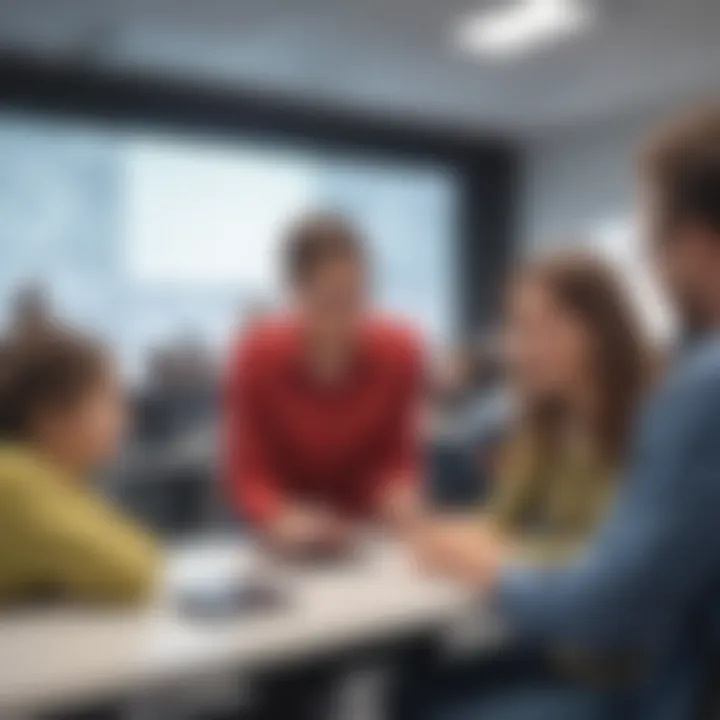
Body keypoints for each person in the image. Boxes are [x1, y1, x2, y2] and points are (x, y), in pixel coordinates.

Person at [413, 106, 720, 720]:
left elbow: (608, 599)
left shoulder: (689, 400)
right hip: (598, 650)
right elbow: (507, 525)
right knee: (417, 682)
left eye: (656, 244)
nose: (520, 346)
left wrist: (490, 564)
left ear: (690, 240)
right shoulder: (545, 422)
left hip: (641, 677)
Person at [421, 252, 648, 571]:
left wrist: (500, 554)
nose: (520, 349)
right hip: (544, 599)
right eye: (517, 327)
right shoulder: (544, 418)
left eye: (541, 327)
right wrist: (438, 537)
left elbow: (616, 557)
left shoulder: (654, 423)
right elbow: (499, 520)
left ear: (597, 331)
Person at [224, 213, 423, 556]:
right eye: (332, 301)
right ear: (297, 294)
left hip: (368, 539)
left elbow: (397, 456)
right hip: (284, 540)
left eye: (358, 297)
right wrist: (278, 515)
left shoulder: (400, 352)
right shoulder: (256, 355)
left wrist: (400, 493)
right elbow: (249, 472)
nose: (349, 317)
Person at [0, 330, 160, 605]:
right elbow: (134, 568)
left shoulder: (48, 475)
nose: (125, 417)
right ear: (51, 415)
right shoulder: (13, 480)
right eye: (109, 399)